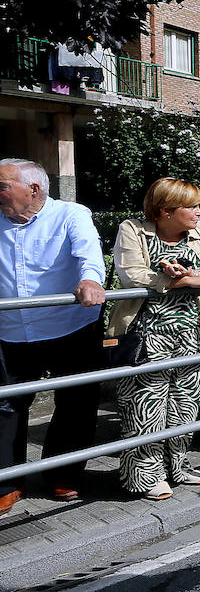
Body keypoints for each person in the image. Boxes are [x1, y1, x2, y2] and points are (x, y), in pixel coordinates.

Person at [0, 158, 106, 507]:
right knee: (6, 404)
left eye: (2, 186)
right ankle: (6, 481)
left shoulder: (70, 214)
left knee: (76, 402)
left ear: (33, 189)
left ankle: (64, 474)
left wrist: (91, 280)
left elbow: (88, 253)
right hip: (10, 330)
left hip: (69, 326)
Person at [109, 178, 200, 499]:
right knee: (145, 405)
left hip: (193, 332)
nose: (199, 212)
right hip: (146, 333)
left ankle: (179, 465)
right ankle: (146, 476)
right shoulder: (133, 229)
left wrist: (195, 275)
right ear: (166, 211)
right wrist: (176, 280)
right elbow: (132, 274)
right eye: (192, 206)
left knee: (185, 404)